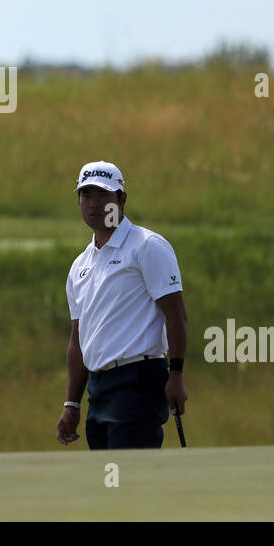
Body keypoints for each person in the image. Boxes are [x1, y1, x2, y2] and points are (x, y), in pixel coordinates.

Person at [56, 161, 188, 449]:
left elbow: (176, 315)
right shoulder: (80, 265)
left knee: (130, 481)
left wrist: (176, 375)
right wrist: (72, 403)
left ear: (121, 199)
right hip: (99, 389)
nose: (94, 204)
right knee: (109, 485)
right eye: (86, 195)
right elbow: (78, 340)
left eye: (103, 196)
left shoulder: (147, 246)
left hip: (138, 382)